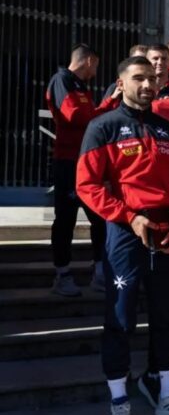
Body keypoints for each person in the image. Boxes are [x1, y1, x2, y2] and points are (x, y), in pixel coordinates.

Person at [76, 55, 169, 415]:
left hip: (167, 231)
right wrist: (127, 216)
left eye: (151, 79)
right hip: (125, 231)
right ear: (121, 83)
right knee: (120, 317)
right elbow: (87, 186)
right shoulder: (102, 127)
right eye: (138, 78)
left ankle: (167, 392)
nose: (147, 85)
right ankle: (119, 402)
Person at [46, 43, 118, 296]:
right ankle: (62, 275)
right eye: (96, 65)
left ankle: (99, 271)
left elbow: (91, 116)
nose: (96, 71)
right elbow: (74, 117)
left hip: (86, 161)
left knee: (99, 216)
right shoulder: (62, 80)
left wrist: (109, 104)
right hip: (68, 162)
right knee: (65, 219)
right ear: (89, 60)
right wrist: (103, 110)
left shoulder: (80, 86)